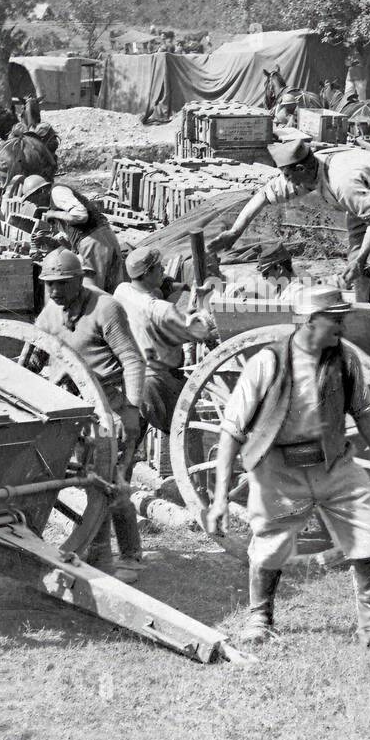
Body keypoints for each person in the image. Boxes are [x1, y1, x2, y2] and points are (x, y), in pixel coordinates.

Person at [206, 285, 370, 651]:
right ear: (308, 322)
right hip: (278, 469)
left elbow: (364, 413)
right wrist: (221, 498)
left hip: (333, 465)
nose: (341, 328)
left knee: (368, 535)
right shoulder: (267, 363)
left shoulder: (346, 360)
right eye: (334, 321)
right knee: (271, 543)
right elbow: (232, 431)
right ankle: (260, 618)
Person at [209, 139, 370, 346]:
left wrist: (362, 258)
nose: (287, 182)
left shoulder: (343, 183)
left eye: (288, 176)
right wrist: (235, 231)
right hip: (365, 197)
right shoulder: (305, 175)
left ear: (301, 168)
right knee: (355, 264)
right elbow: (263, 196)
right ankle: (365, 325)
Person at [34, 248, 145, 582]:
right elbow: (36, 354)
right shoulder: (49, 313)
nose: (55, 291)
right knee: (88, 483)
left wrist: (132, 412)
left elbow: (132, 359)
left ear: (80, 279)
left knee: (112, 485)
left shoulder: (106, 308)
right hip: (70, 409)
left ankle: (130, 557)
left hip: (109, 407)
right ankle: (96, 553)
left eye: (62, 284)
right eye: (49, 284)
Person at [113, 246, 215, 436]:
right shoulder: (161, 310)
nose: (163, 271)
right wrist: (204, 304)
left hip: (132, 378)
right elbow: (200, 332)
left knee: (131, 440)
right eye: (158, 267)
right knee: (189, 434)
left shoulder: (122, 291)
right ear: (147, 273)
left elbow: (156, 291)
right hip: (158, 383)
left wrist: (181, 287)